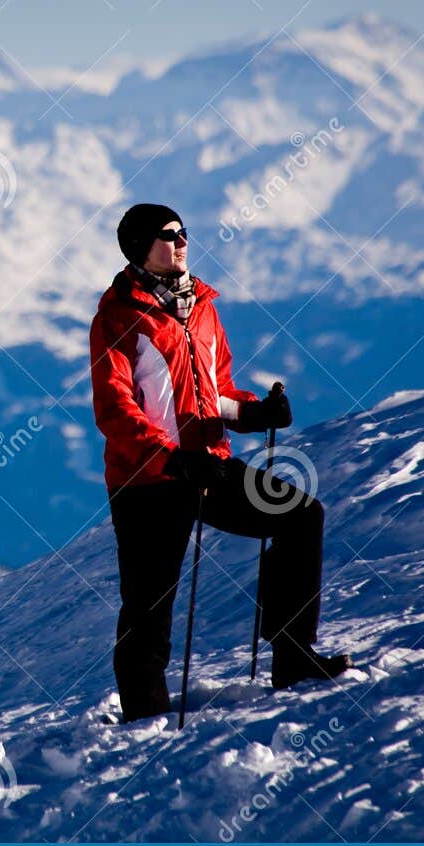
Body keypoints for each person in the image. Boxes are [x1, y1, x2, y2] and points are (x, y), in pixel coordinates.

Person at [89, 203, 351, 722]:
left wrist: (256, 413)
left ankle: (293, 658)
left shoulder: (202, 307)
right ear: (141, 247)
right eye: (169, 235)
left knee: (301, 516)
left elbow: (215, 392)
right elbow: (115, 410)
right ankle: (144, 716)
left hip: (209, 466)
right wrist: (172, 459)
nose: (183, 240)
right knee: (149, 604)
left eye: (185, 230)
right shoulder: (117, 317)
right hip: (148, 481)